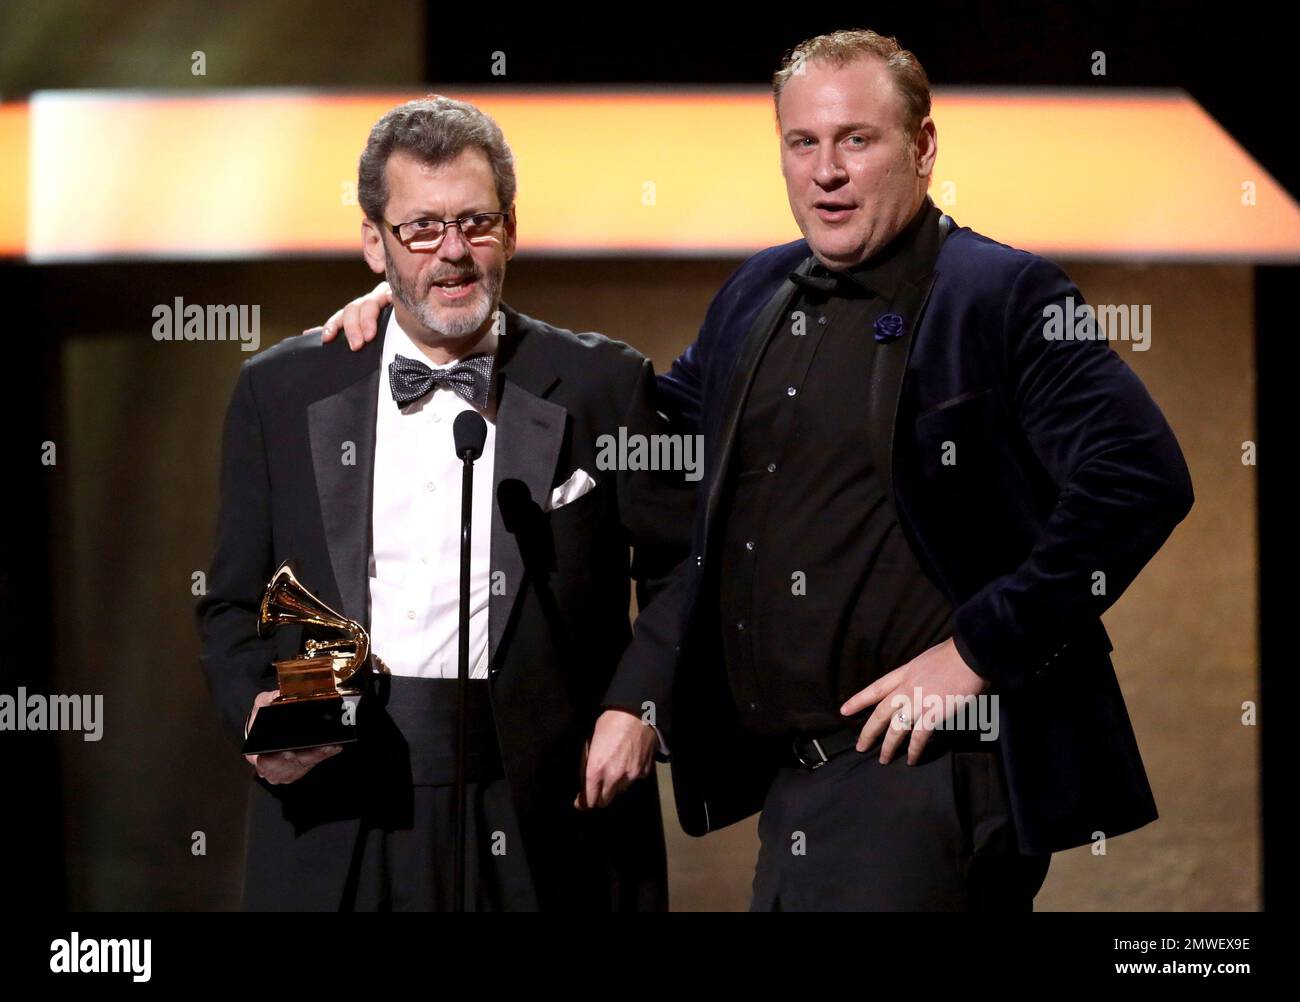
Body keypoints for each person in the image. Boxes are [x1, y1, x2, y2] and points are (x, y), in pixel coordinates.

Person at [316, 30, 1194, 911]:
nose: (827, 172)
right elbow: (633, 427)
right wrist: (434, 305)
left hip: (931, 772)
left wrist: (976, 651)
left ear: (923, 148)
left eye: (858, 139)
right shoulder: (758, 295)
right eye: (802, 143)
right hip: (798, 784)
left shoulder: (1000, 296)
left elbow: (1140, 479)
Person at [196, 95, 692, 911]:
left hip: (546, 808)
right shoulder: (279, 392)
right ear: (373, 242)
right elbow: (229, 604)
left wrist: (638, 706)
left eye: (477, 223)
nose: (453, 253)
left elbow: (681, 570)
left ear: (512, 230)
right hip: (340, 804)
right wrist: (258, 716)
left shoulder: (603, 384)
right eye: (422, 228)